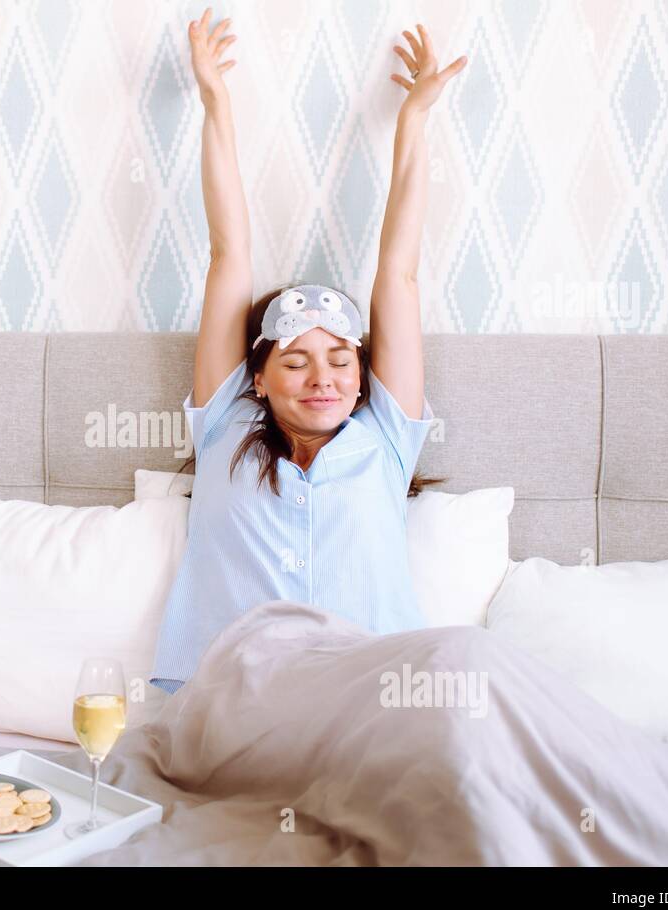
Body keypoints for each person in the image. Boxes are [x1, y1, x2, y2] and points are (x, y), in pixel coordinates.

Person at [148, 11, 467, 695]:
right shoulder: (224, 424)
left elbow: (399, 274)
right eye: (295, 362)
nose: (322, 379)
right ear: (257, 379)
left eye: (340, 362)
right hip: (231, 705)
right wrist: (214, 103)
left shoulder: (384, 439)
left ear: (362, 374)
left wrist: (414, 121)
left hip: (369, 702)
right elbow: (228, 252)